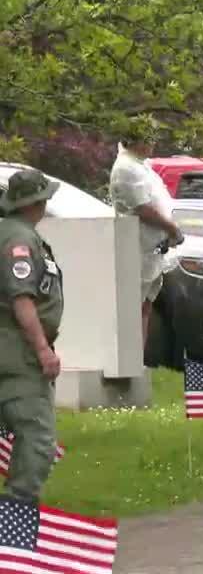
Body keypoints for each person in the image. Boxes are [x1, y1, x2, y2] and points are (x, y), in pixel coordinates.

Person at [0, 170, 64, 502]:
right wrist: (42, 350)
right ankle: (14, 522)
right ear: (36, 203)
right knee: (37, 438)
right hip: (17, 357)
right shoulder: (18, 241)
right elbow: (21, 297)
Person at [109, 117, 183, 349]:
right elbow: (141, 207)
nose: (153, 143)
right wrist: (171, 228)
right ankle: (128, 359)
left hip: (153, 250)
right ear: (133, 139)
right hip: (137, 249)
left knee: (145, 305)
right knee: (133, 306)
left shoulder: (140, 164)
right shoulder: (125, 168)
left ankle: (136, 361)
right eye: (148, 138)